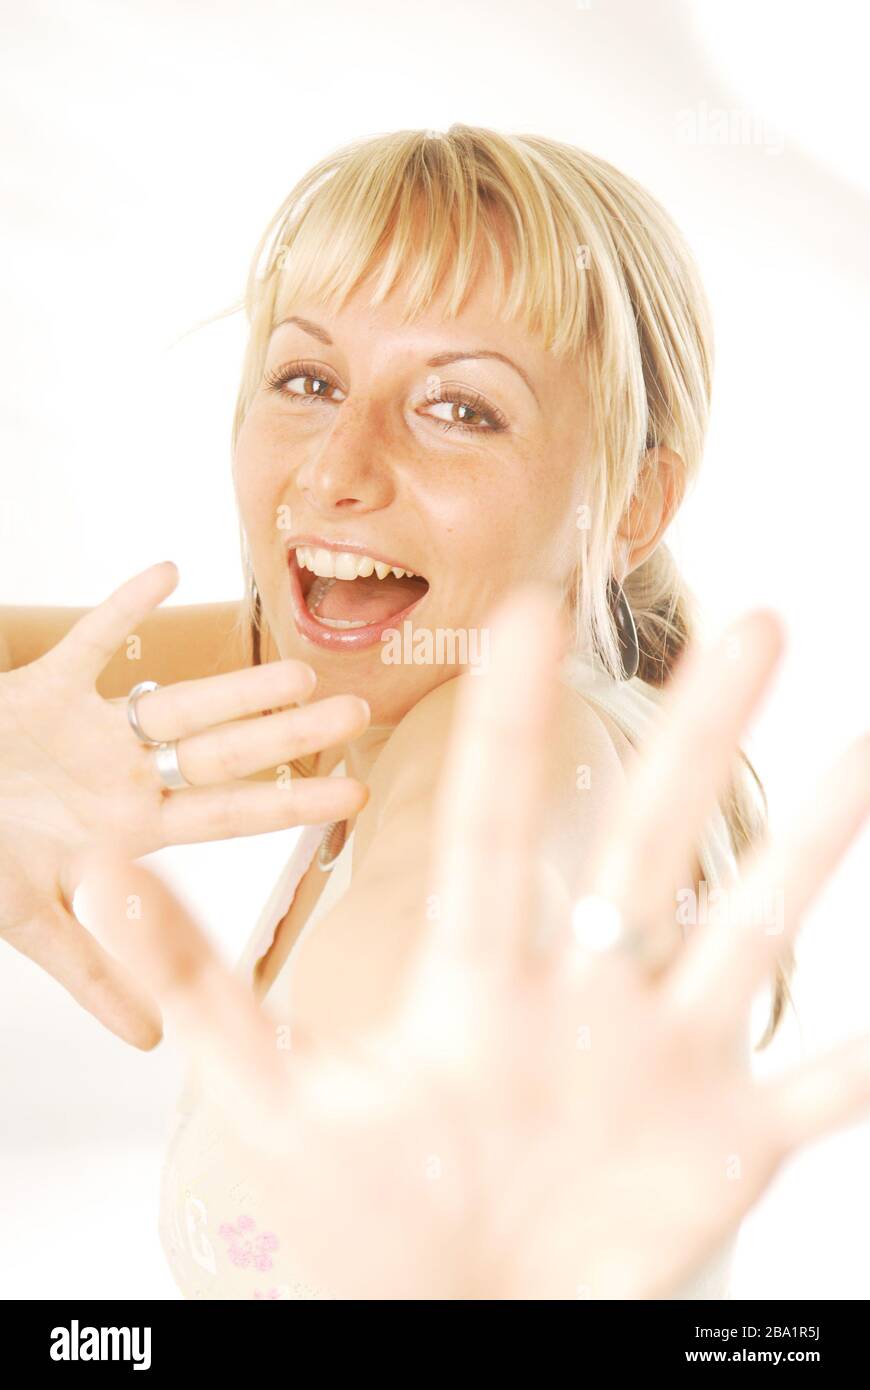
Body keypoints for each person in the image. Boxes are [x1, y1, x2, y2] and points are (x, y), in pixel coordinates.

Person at [1, 125, 865, 1297]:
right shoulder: (368, 651)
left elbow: (434, 919)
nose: (336, 470)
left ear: (632, 506)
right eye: (308, 381)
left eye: (458, 409)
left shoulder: (506, 728)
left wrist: (427, 1129)